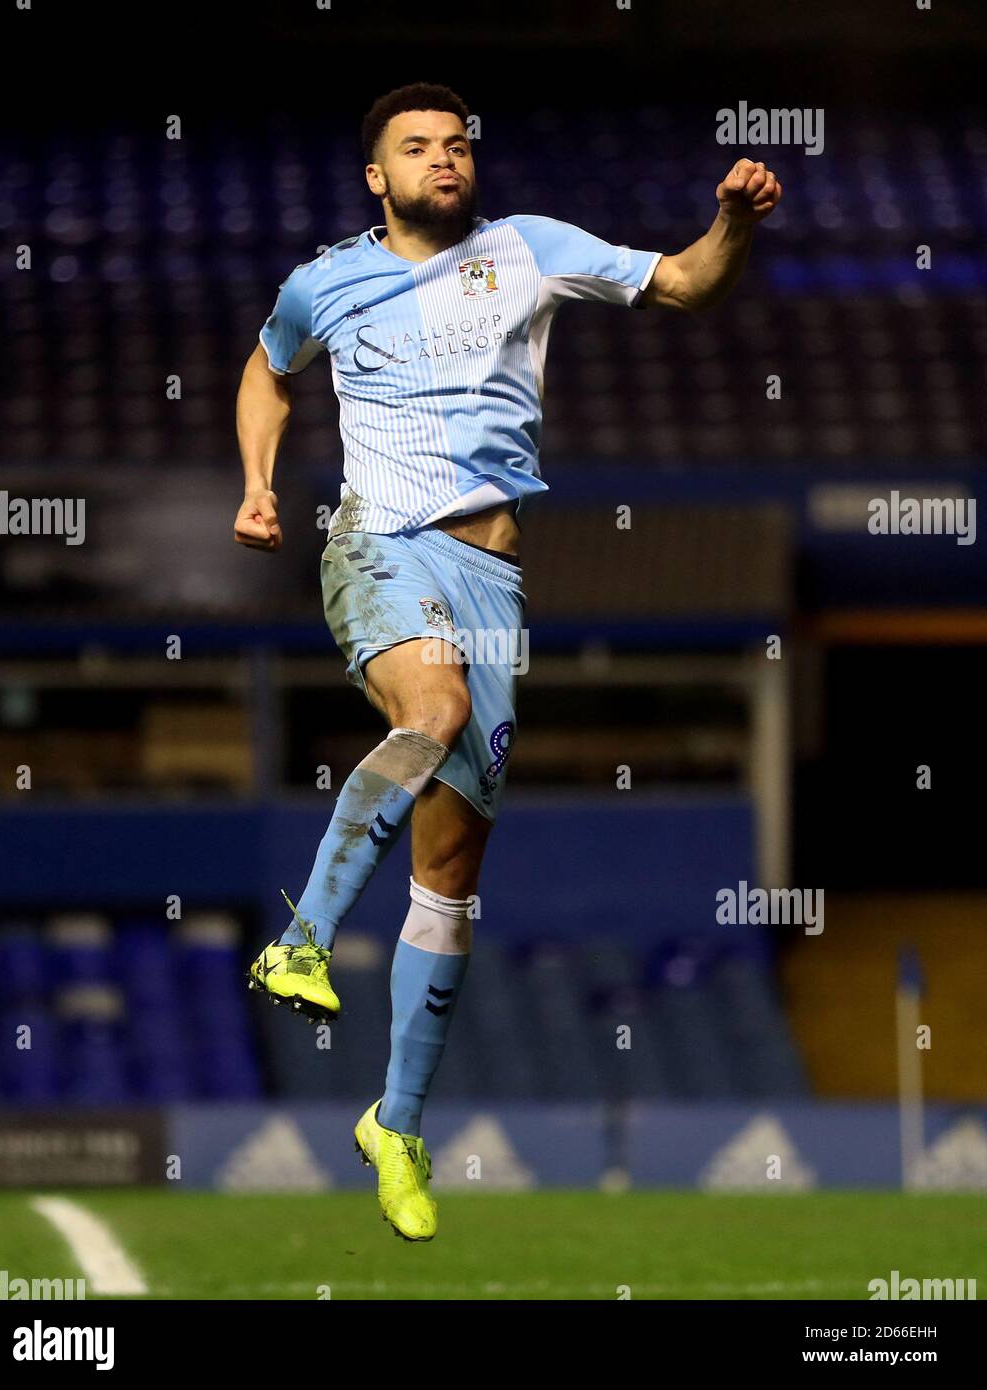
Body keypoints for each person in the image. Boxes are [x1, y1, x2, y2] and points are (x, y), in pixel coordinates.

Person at [234, 82, 782, 1240]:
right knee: (425, 709)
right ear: (375, 177)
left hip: (495, 584)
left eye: (456, 144)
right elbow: (265, 371)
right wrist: (256, 483)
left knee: (450, 874)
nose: (444, 157)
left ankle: (396, 1123)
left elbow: (681, 281)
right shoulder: (322, 282)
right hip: (378, 545)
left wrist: (732, 221)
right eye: (416, 147)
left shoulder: (530, 249)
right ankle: (301, 939)